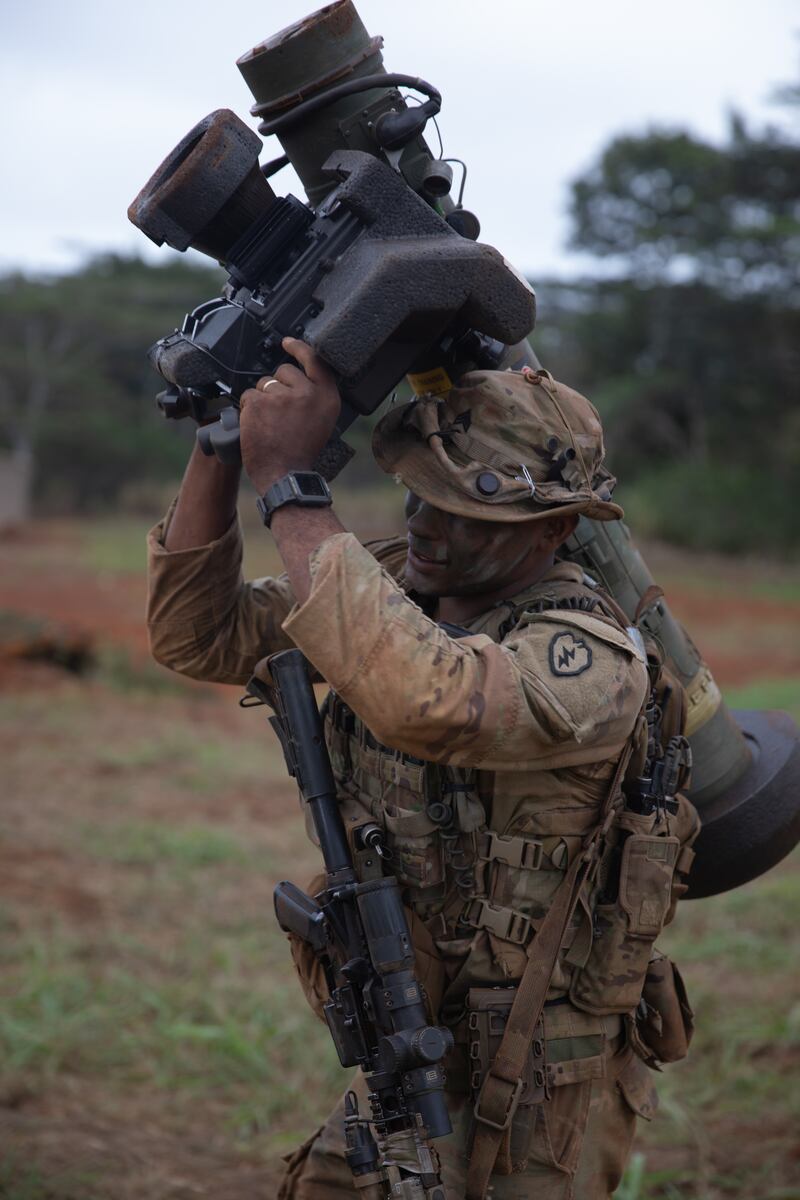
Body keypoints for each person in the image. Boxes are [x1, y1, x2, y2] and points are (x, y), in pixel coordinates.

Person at [146, 338, 699, 1199]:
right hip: (414, 1038)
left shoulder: (589, 655)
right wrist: (224, 442)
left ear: (552, 529)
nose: (422, 525)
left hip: (544, 1081)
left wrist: (291, 484)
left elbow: (428, 699)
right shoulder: (406, 589)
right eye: (416, 495)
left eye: (461, 512)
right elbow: (197, 634)